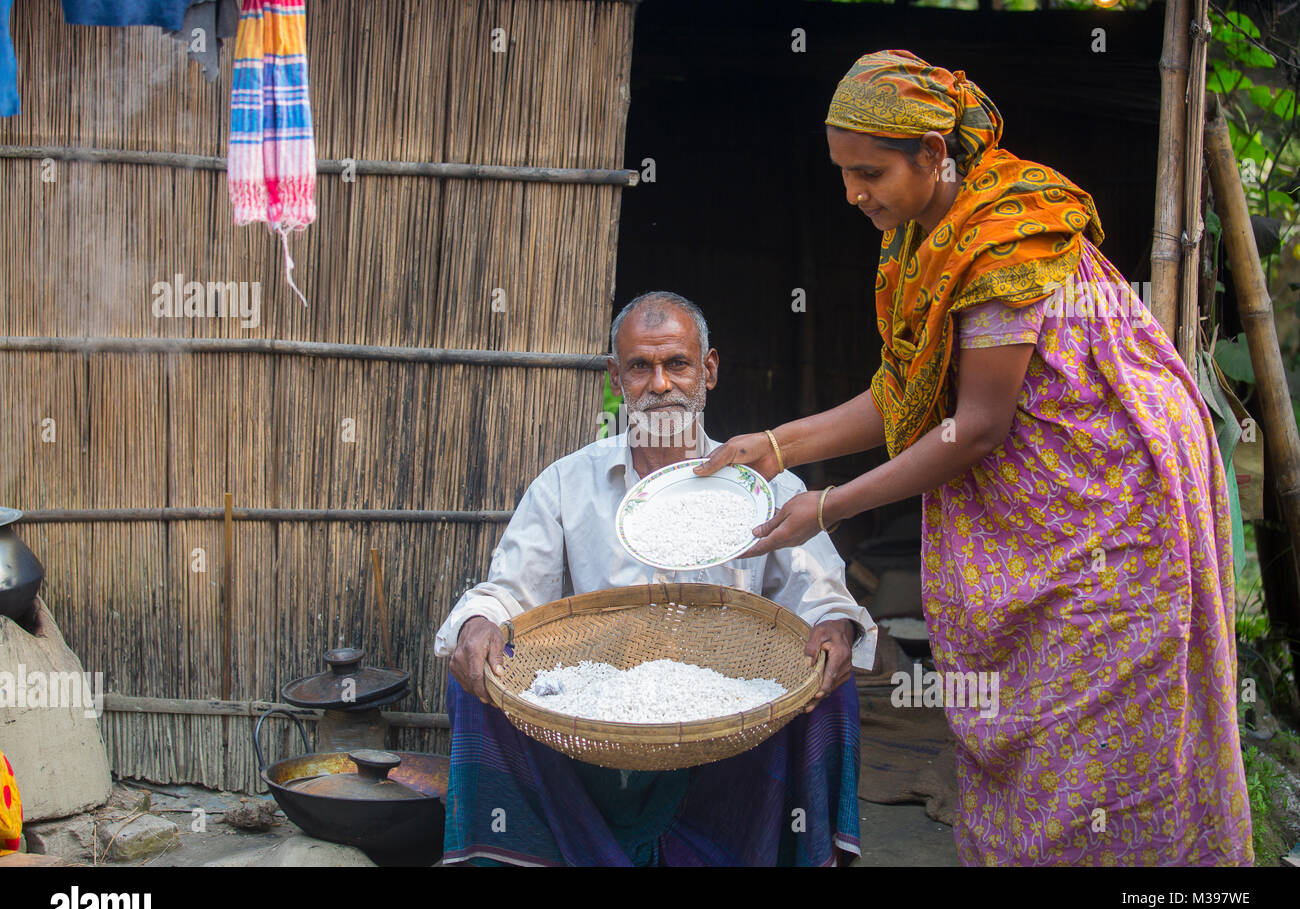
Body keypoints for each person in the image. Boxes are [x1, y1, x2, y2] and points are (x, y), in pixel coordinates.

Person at [697, 50, 1252, 866]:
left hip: (1112, 504)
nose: (853, 193)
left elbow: (978, 427)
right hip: (1048, 486)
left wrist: (828, 506)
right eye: (843, 173)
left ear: (932, 153)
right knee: (1036, 735)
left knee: (1093, 732)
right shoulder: (921, 237)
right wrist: (777, 447)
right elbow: (904, 392)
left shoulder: (996, 247)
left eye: (870, 172)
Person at [433, 291, 876, 866]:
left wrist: (835, 625)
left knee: (830, 687)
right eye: (640, 367)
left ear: (709, 370)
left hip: (732, 719)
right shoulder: (568, 483)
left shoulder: (761, 485)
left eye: (678, 364)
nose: (661, 384)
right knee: (477, 676)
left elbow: (819, 595)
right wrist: (479, 620)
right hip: (596, 718)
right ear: (616, 378)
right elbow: (511, 589)